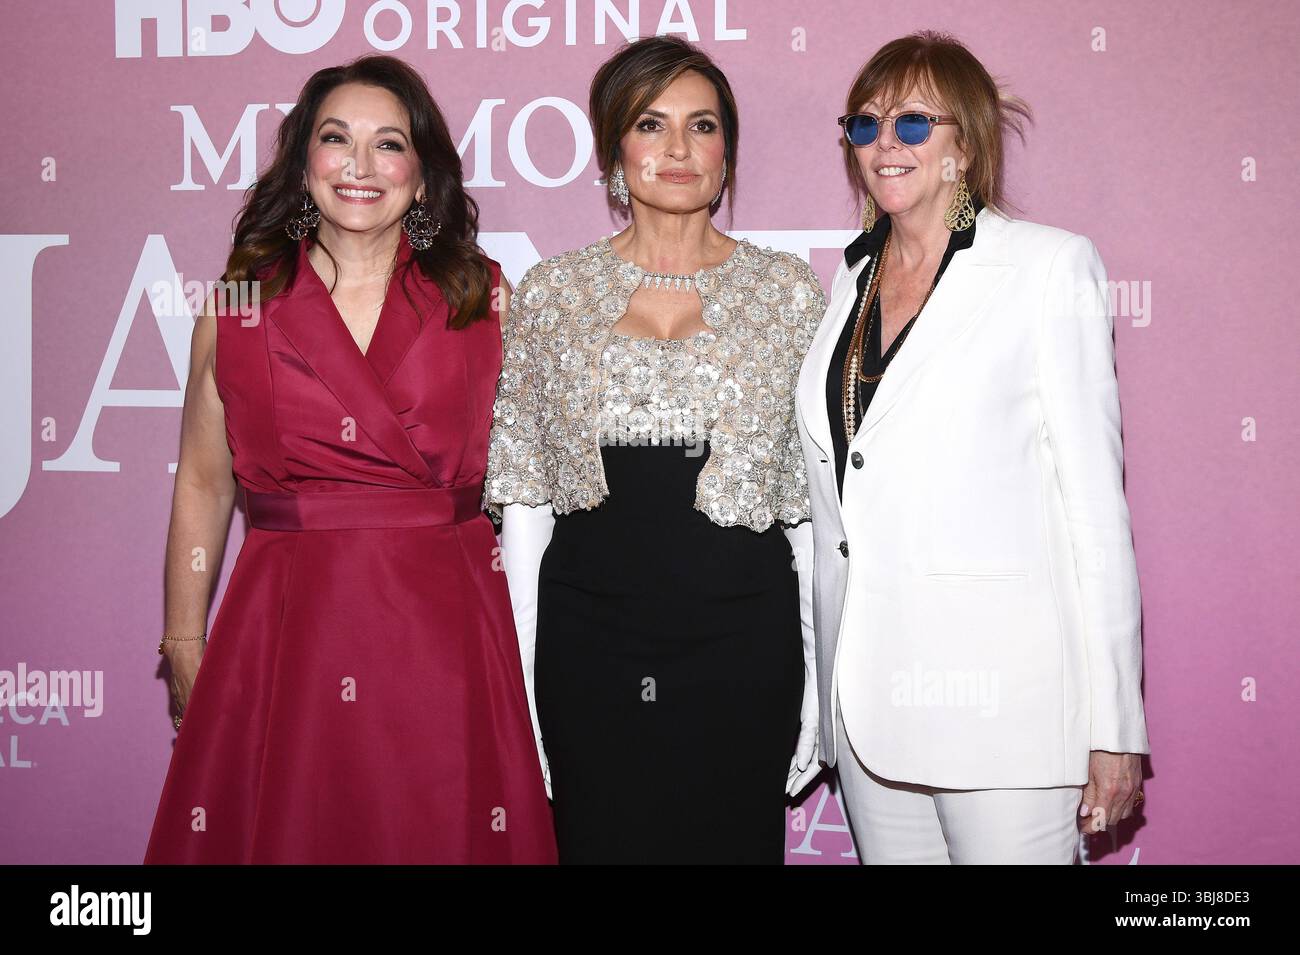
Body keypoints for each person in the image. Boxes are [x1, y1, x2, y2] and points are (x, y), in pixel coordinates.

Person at [144, 54, 557, 864]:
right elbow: (202, 479)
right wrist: (184, 641)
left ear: (422, 171)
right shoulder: (238, 305)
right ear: (303, 164)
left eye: (389, 144)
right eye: (336, 140)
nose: (361, 167)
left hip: (445, 629)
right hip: (289, 628)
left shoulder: (487, 297)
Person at [793, 30, 1150, 864]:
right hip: (872, 703)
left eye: (915, 123)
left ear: (967, 144)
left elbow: (1095, 509)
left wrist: (1115, 724)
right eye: (866, 124)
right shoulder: (850, 281)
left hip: (1008, 709)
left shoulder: (1045, 267)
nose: (886, 144)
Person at [484, 36, 826, 863]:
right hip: (590, 648)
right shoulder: (553, 295)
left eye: (702, 126)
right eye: (650, 124)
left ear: (726, 155)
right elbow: (527, 504)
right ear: (613, 152)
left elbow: (810, 502)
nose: (677, 149)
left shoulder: (786, 292)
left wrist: (820, 674)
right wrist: (528, 683)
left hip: (745, 650)